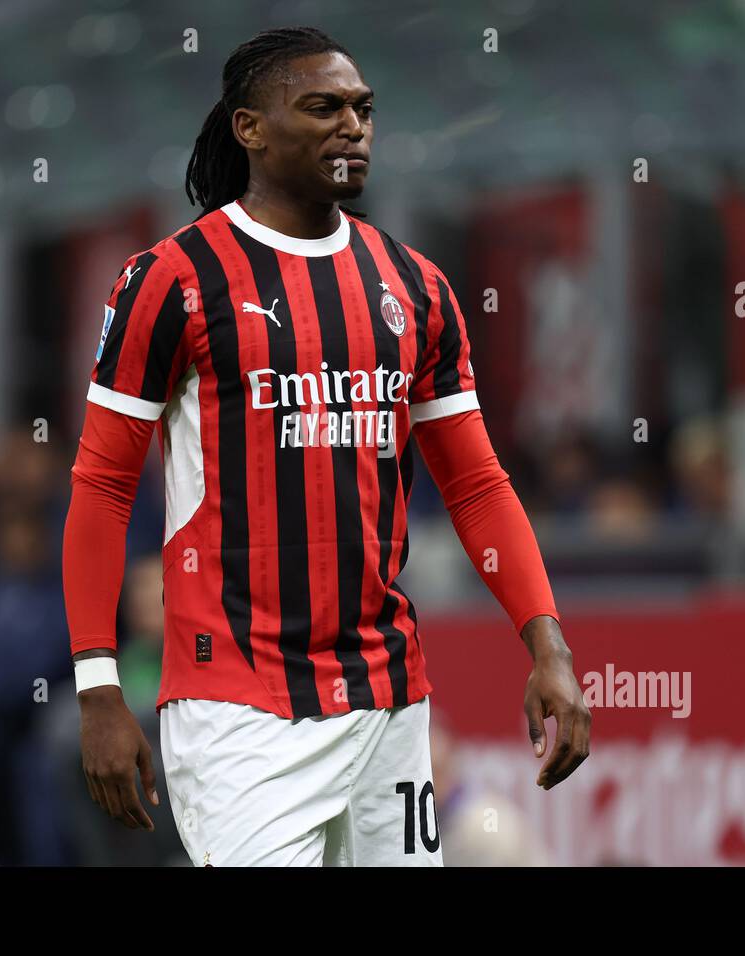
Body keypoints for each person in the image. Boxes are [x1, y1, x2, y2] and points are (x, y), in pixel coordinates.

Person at [62, 26, 589, 867]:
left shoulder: (414, 286)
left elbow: (479, 485)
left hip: (389, 702)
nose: (353, 127)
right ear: (251, 128)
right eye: (323, 108)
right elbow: (100, 486)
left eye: (363, 110)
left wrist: (547, 644)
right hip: (238, 710)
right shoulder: (171, 281)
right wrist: (97, 689)